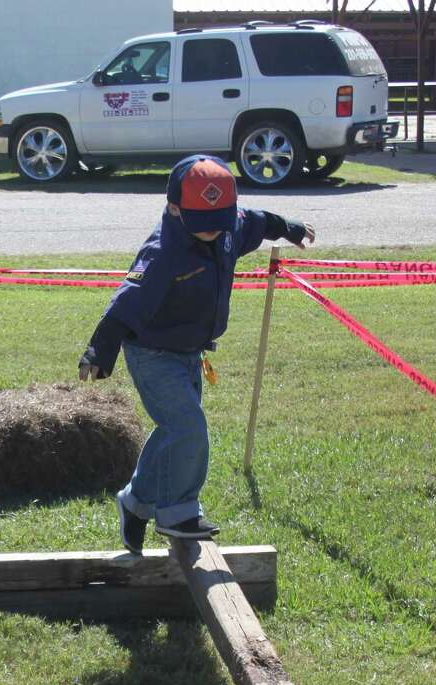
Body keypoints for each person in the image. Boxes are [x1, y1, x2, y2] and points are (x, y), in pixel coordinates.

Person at [78, 154, 314, 554]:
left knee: (174, 429)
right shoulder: (162, 252)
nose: (211, 233)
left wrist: (288, 228)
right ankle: (179, 513)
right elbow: (126, 303)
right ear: (174, 207)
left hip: (189, 352)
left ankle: (135, 503)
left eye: (218, 223)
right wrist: (100, 350)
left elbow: (254, 221)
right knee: (189, 428)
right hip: (151, 352)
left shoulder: (226, 227)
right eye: (201, 224)